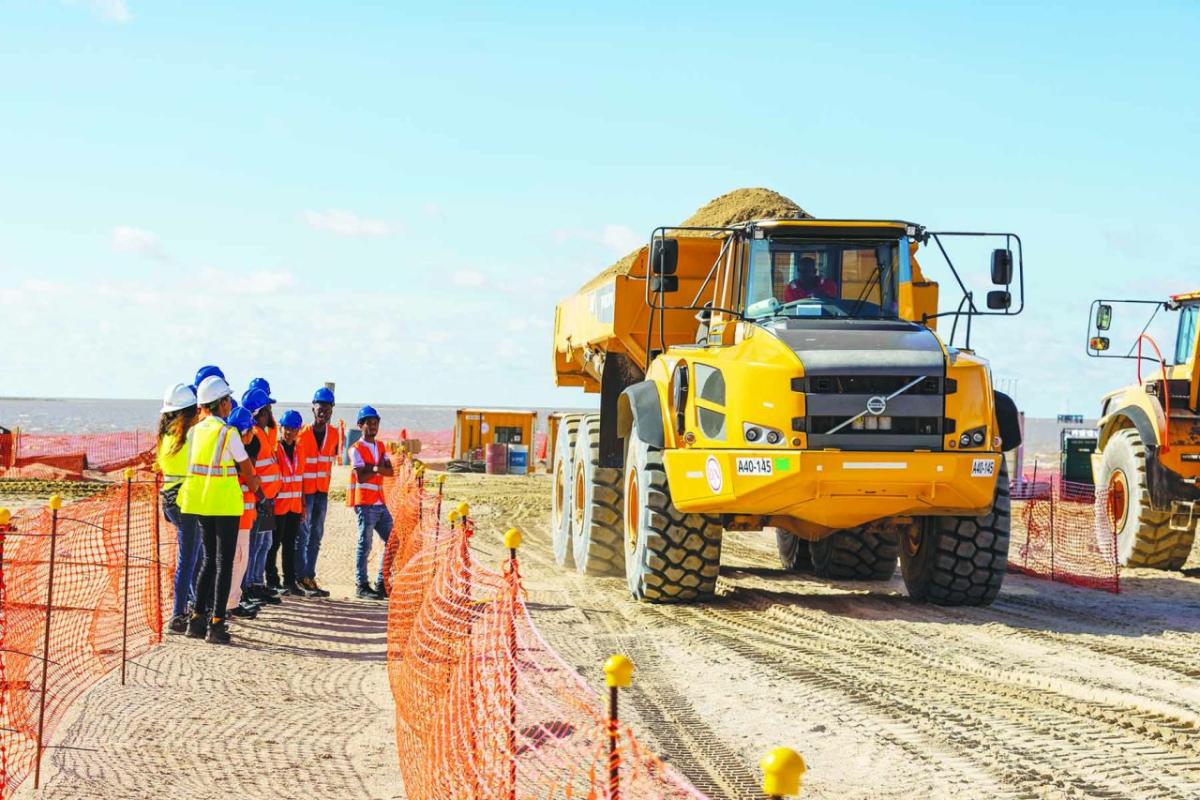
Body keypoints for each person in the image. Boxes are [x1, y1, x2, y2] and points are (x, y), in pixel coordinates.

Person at [179, 376, 260, 644]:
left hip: (200, 504)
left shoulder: (194, 432)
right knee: (223, 564)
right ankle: (217, 624)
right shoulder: (228, 433)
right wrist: (257, 487)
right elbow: (246, 468)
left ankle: (196, 620)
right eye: (227, 401)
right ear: (222, 403)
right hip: (225, 506)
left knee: (207, 561)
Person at [155, 382, 202, 633]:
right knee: (189, 559)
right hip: (185, 501)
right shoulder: (187, 438)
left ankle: (191, 604)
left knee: (193, 557)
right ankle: (178, 613)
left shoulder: (166, 436)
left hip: (170, 500)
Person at [295, 387, 340, 597]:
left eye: (327, 408)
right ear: (313, 408)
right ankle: (299, 577)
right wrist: (300, 496)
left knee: (316, 535)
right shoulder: (302, 434)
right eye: (320, 407)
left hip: (322, 492)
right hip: (305, 493)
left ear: (332, 410)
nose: (323, 411)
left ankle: (309, 576)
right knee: (302, 536)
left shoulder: (334, 434)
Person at [348, 405, 394, 599]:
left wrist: (372, 468)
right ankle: (361, 584)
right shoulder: (355, 449)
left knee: (392, 541)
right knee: (364, 544)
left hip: (380, 502)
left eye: (375, 423)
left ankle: (381, 582)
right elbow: (360, 477)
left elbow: (389, 471)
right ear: (361, 425)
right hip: (365, 503)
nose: (373, 426)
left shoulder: (381, 446)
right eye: (369, 423)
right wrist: (377, 468)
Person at [242, 387, 281, 600]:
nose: (270, 414)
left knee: (264, 543)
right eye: (266, 410)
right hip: (260, 500)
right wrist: (262, 498)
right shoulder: (254, 437)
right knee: (255, 544)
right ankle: (249, 586)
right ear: (258, 413)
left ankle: (257, 581)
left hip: (268, 499)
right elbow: (252, 471)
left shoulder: (262, 433)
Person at [226, 406, 260, 620]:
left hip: (243, 516)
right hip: (238, 516)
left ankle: (233, 601)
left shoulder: (235, 451)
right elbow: (252, 482)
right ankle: (229, 603)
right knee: (237, 561)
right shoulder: (237, 456)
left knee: (239, 561)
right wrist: (254, 480)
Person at [272, 410, 307, 596]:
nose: (289, 432)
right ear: (281, 428)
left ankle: (290, 581)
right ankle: (272, 580)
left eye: (294, 429)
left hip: (294, 505)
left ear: (298, 430)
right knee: (273, 544)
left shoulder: (300, 450)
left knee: (290, 544)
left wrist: (302, 504)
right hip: (278, 506)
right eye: (286, 428)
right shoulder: (275, 449)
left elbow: (299, 478)